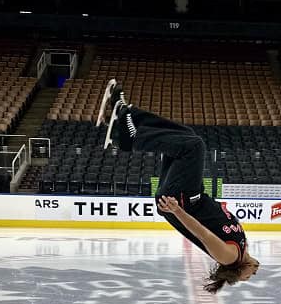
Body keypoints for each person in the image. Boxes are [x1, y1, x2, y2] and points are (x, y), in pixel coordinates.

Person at [98, 82, 260, 293]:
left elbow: (202, 233)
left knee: (193, 146)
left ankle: (129, 138)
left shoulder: (229, 257)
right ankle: (126, 115)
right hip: (189, 196)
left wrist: (177, 210)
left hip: (180, 202)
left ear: (237, 271)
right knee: (187, 136)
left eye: (247, 278)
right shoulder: (242, 250)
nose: (253, 274)